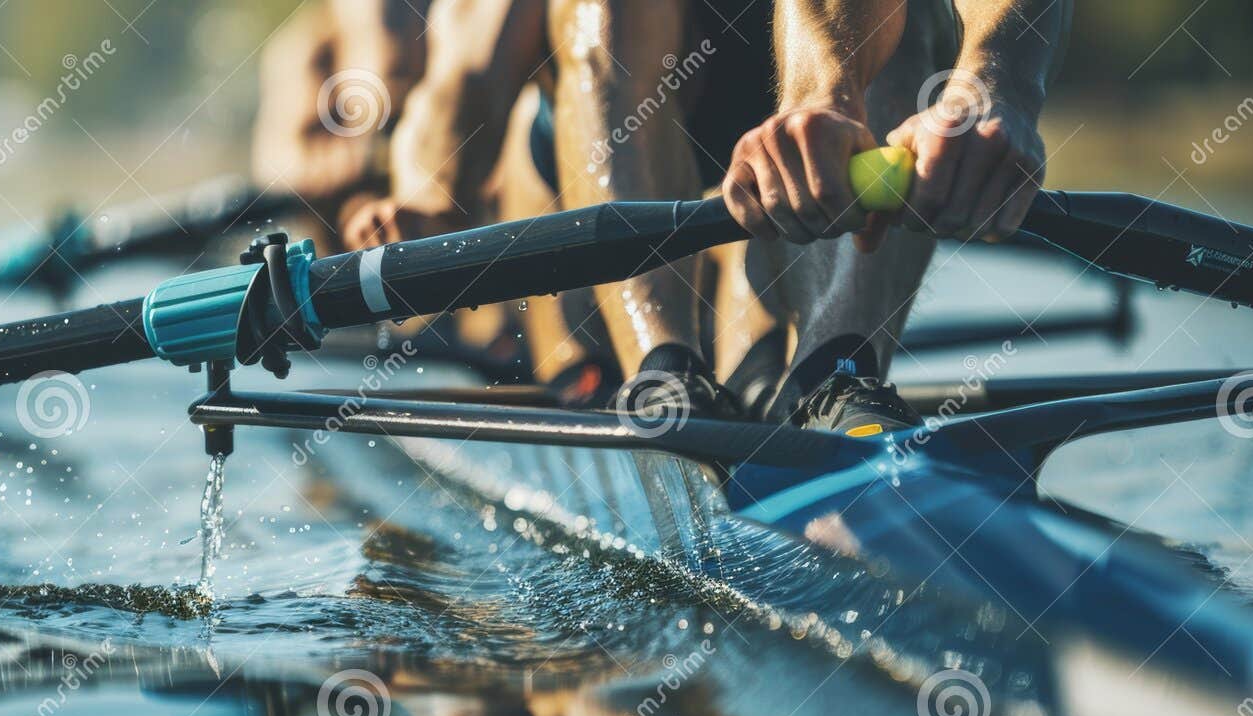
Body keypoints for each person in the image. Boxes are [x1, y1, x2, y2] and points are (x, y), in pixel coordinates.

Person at [344, 0, 1070, 434]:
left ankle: (832, 379)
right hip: (586, 221)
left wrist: (987, 85)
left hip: (788, 184)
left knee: (913, 26)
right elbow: (459, 84)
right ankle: (661, 374)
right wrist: (428, 204)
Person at [250, 0, 431, 244]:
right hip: (340, 238)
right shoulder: (305, 50)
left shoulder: (458, 25)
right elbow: (281, 167)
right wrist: (372, 159)